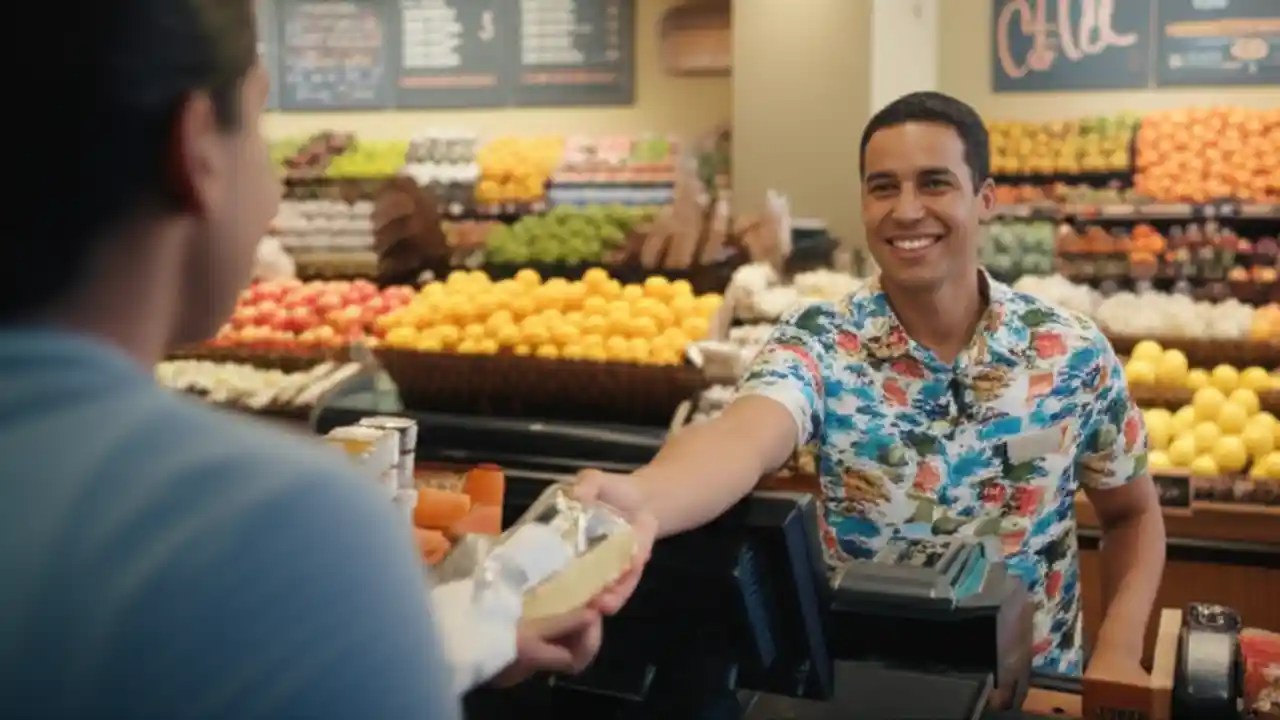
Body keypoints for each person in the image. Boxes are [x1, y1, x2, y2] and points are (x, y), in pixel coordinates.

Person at [0, 2, 601, 716]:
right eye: (258, 122)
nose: (276, 197)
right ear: (196, 151)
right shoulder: (280, 527)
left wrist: (432, 644)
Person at [578, 91, 1166, 680]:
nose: (906, 210)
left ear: (984, 200)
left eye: (934, 183)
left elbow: (1132, 515)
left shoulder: (1069, 350)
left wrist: (1117, 650)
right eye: (884, 187)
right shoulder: (821, 340)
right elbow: (742, 436)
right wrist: (648, 496)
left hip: (1034, 691)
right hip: (868, 689)